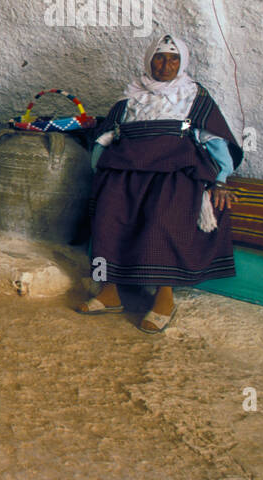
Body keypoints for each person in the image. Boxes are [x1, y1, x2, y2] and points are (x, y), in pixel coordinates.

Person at [76, 34, 241, 332]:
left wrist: (220, 179)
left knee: (165, 218)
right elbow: (107, 136)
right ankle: (110, 291)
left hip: (174, 172)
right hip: (125, 169)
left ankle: (164, 296)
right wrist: (99, 171)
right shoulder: (130, 95)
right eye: (160, 57)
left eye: (173, 58)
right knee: (107, 218)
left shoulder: (194, 96)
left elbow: (213, 139)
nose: (166, 65)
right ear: (149, 60)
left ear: (183, 63)